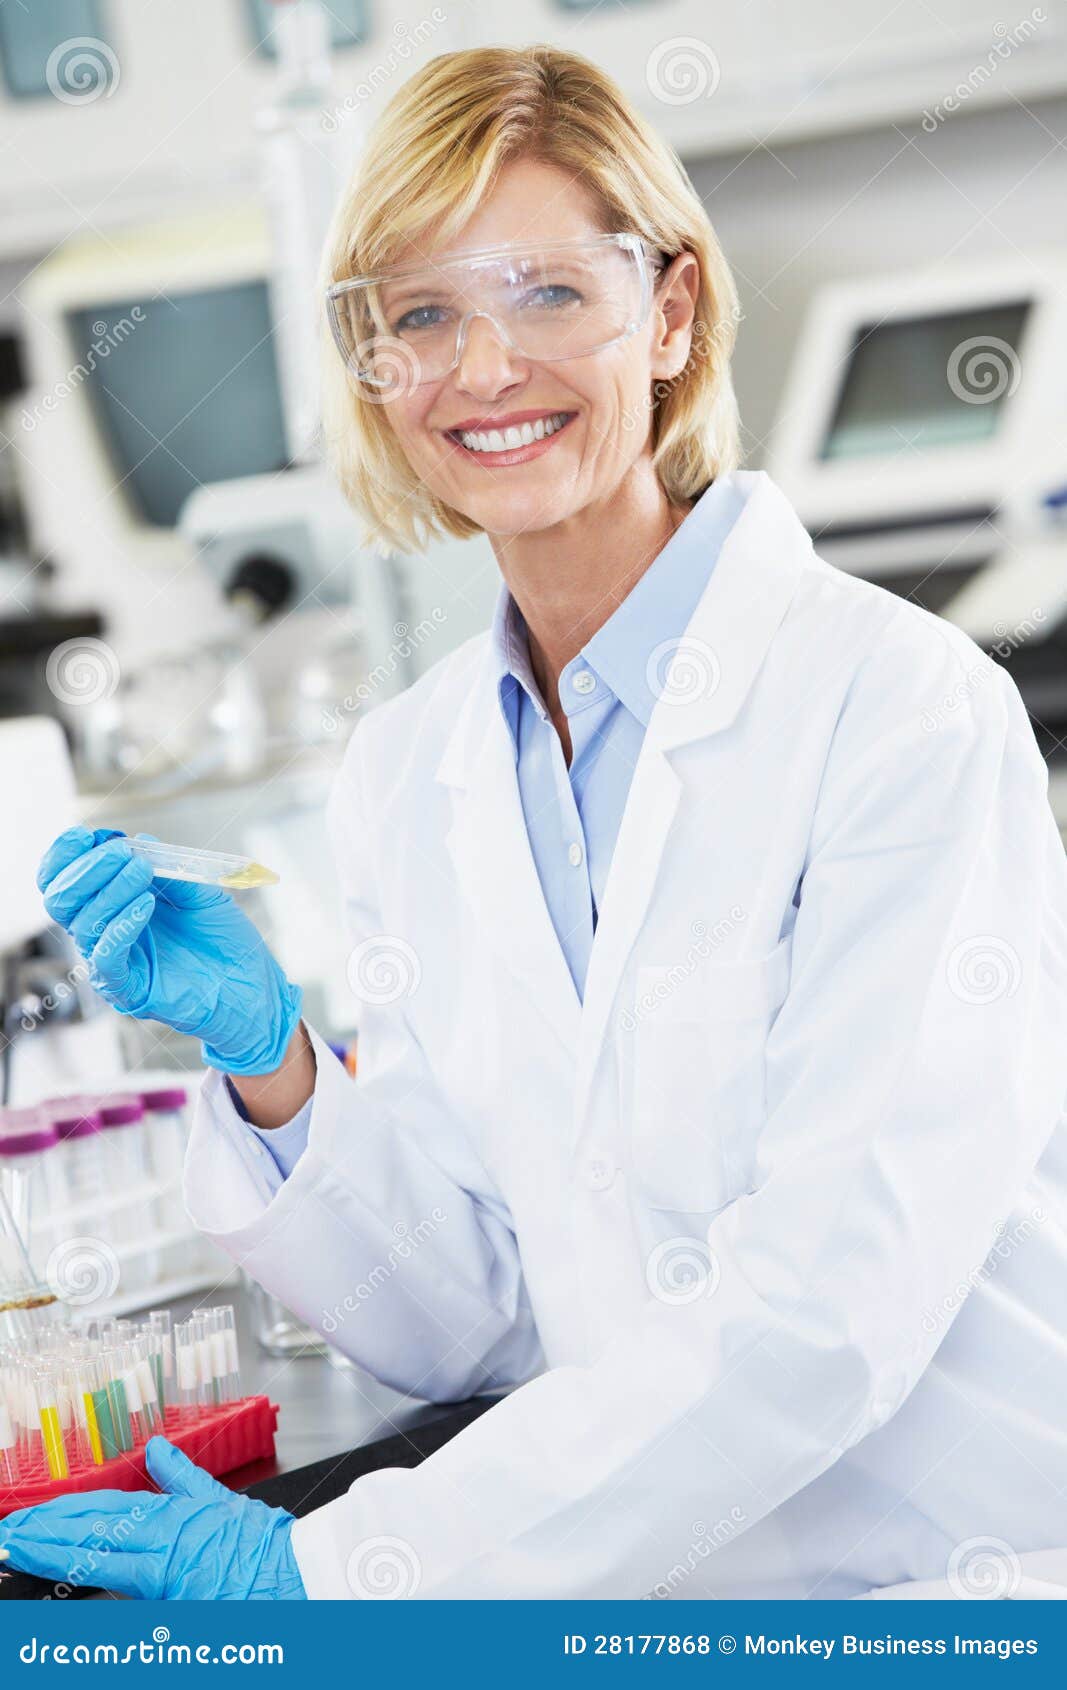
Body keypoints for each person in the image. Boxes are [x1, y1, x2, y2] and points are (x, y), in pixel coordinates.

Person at [8, 44, 1067, 1602]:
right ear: (372, 366)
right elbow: (480, 1310)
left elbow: (828, 1304)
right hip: (634, 1604)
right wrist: (276, 1063)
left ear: (674, 311)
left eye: (551, 294)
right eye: (422, 315)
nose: (485, 368)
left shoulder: (901, 712)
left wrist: (356, 1565)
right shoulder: (409, 769)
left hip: (943, 1590)